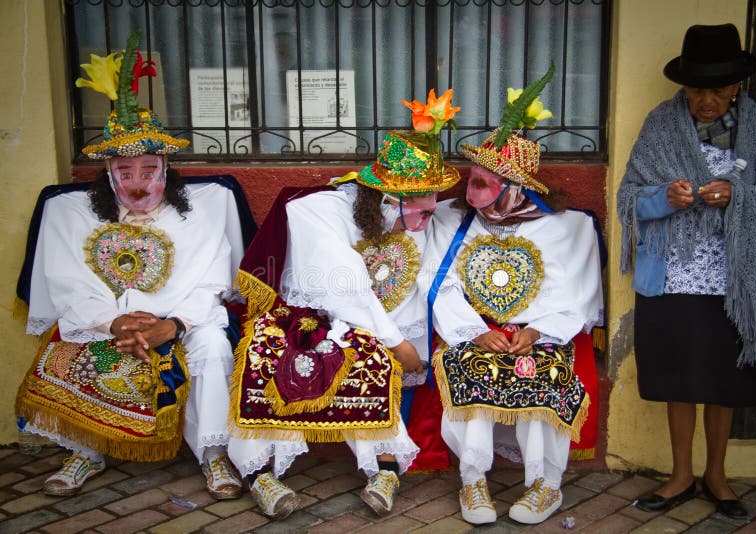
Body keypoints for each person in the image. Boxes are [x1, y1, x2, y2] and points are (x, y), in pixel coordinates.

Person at [16, 31, 243, 499]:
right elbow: (68, 284)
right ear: (108, 174)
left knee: (214, 349)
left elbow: (212, 283)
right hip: (106, 318)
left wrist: (174, 325)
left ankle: (214, 455)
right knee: (71, 346)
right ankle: (86, 450)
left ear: (166, 170)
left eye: (148, 171)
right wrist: (116, 320)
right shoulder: (71, 214)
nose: (138, 184)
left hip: (184, 318)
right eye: (125, 172)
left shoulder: (204, 210)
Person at [228, 90, 462, 519]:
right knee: (270, 357)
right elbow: (345, 285)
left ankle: (385, 470)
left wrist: (392, 340)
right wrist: (397, 342)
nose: (428, 221)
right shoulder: (318, 210)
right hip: (297, 313)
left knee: (369, 359)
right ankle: (259, 472)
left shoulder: (400, 216)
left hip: (354, 320)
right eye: (422, 213)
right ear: (390, 201)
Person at [617, 24, 756, 519]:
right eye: (698, 89)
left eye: (718, 90)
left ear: (737, 86)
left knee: (725, 380)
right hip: (673, 281)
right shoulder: (660, 125)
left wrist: (741, 196)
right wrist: (663, 198)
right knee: (680, 377)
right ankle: (680, 475)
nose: (707, 100)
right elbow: (629, 198)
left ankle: (716, 476)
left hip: (737, 284)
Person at [425, 74, 603, 525]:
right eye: (471, 180)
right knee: (469, 364)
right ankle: (473, 479)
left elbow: (577, 299)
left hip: (537, 334)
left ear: (514, 187)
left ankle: (545, 485)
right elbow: (440, 283)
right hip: (478, 329)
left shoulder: (562, 230)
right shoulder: (453, 222)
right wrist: (473, 332)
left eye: (484, 184)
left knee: (543, 372)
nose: (470, 193)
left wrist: (539, 331)